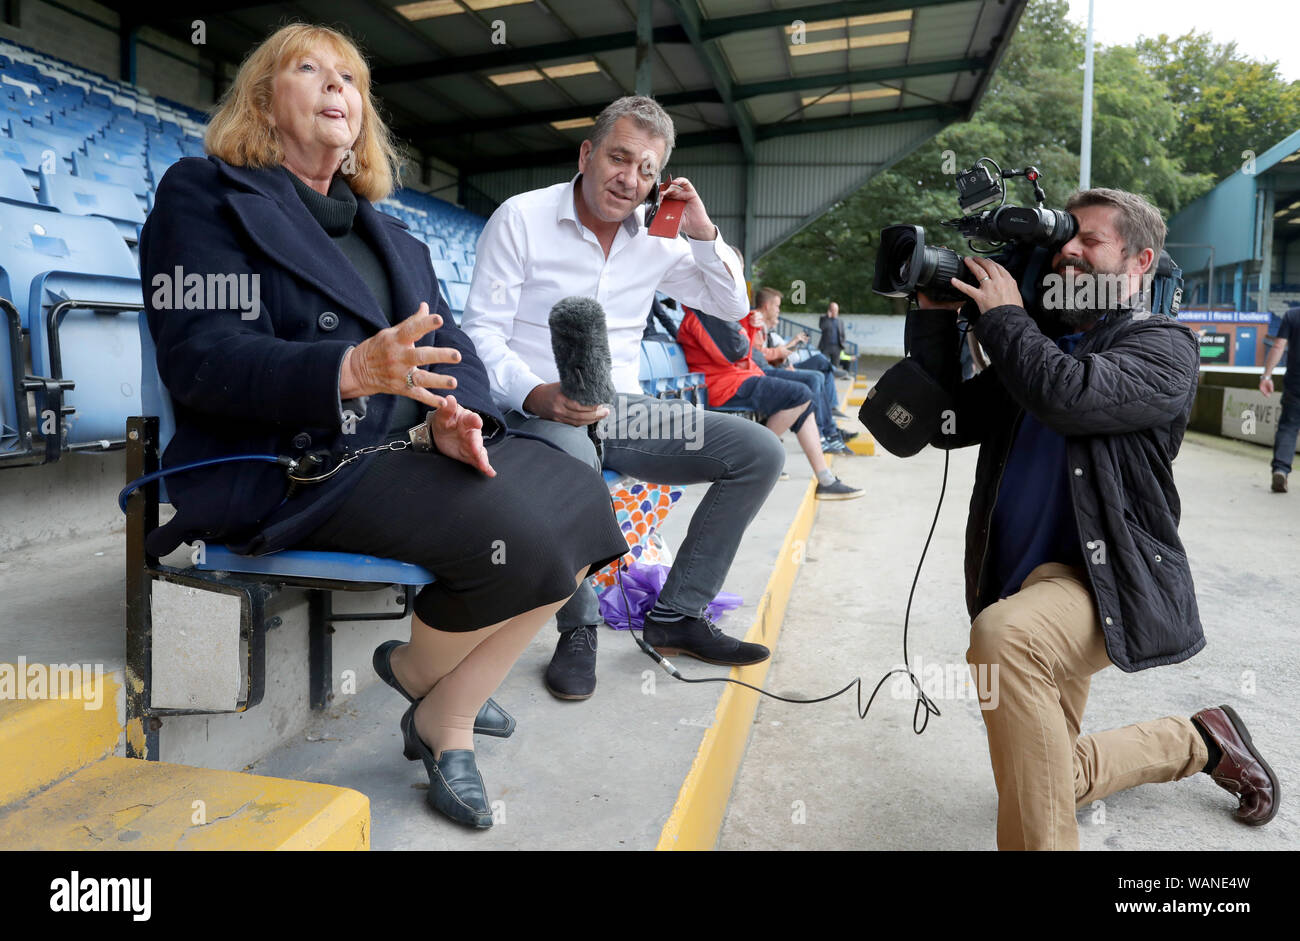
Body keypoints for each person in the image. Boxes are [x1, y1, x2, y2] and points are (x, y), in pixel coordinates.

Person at [138, 23, 628, 831]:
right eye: (312, 70)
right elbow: (202, 357)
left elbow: (454, 351)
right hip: (293, 463)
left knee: (583, 502)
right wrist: (346, 372)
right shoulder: (204, 195)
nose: (339, 87)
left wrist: (455, 414)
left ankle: (431, 688)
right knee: (526, 540)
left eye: (351, 78)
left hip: (406, 450)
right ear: (263, 100)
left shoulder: (391, 232)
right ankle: (447, 712)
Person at [910, 187, 1279, 850]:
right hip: (1024, 582)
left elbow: (1071, 396)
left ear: (1139, 262)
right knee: (1052, 776)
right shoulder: (1039, 346)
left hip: (1100, 582)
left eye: (1089, 240)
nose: (1068, 251)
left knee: (1005, 640)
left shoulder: (1163, 348)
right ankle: (1199, 738)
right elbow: (946, 422)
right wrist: (940, 317)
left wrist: (1007, 319)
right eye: (1064, 240)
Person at [461, 96, 786, 702]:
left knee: (759, 452)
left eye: (646, 170)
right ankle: (577, 626)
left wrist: (703, 232)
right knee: (574, 458)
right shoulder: (521, 217)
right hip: (531, 407)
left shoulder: (659, 239)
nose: (629, 179)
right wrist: (538, 394)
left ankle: (676, 616)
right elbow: (479, 332)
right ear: (587, 154)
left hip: (622, 411)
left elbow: (734, 306)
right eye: (618, 158)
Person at [677, 302, 863, 502]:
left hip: (738, 377)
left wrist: (748, 327)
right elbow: (735, 352)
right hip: (723, 385)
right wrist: (748, 327)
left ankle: (825, 480)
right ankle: (751, 458)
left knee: (803, 401)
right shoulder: (704, 313)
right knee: (800, 394)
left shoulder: (713, 311)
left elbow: (742, 352)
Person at [1259, 305, 1300, 492]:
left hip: (1295, 383)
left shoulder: (1292, 315)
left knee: (1289, 427)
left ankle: (1281, 469)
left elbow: (1278, 345)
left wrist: (1266, 376)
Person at [818, 301, 851, 378]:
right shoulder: (823, 318)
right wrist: (828, 318)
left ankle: (832, 381)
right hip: (826, 346)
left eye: (836, 310)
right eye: (833, 310)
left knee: (834, 367)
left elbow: (842, 334)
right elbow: (822, 328)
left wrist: (842, 343)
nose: (835, 312)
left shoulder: (840, 321)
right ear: (829, 310)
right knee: (823, 364)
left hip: (837, 347)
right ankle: (823, 379)